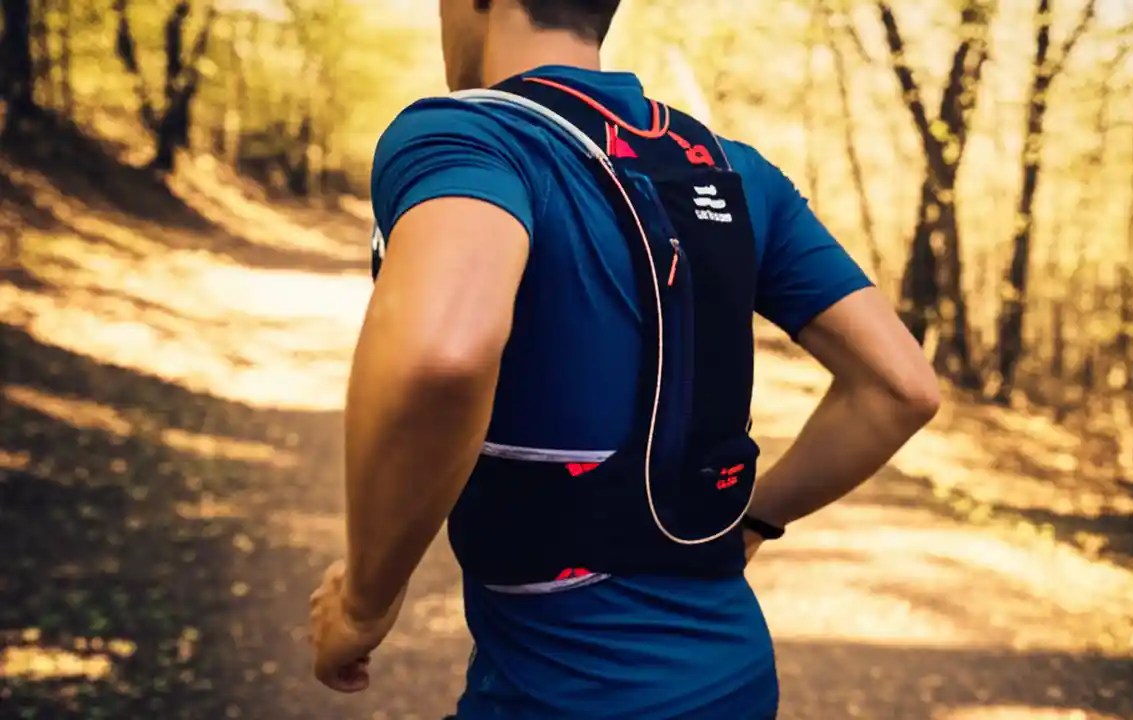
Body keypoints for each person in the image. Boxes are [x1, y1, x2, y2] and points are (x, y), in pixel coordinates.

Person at [308, 1, 941, 718]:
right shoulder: (738, 173)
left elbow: (443, 355)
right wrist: (753, 520)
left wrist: (363, 602)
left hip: (568, 698)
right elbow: (900, 387)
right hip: (734, 683)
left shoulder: (468, 135)